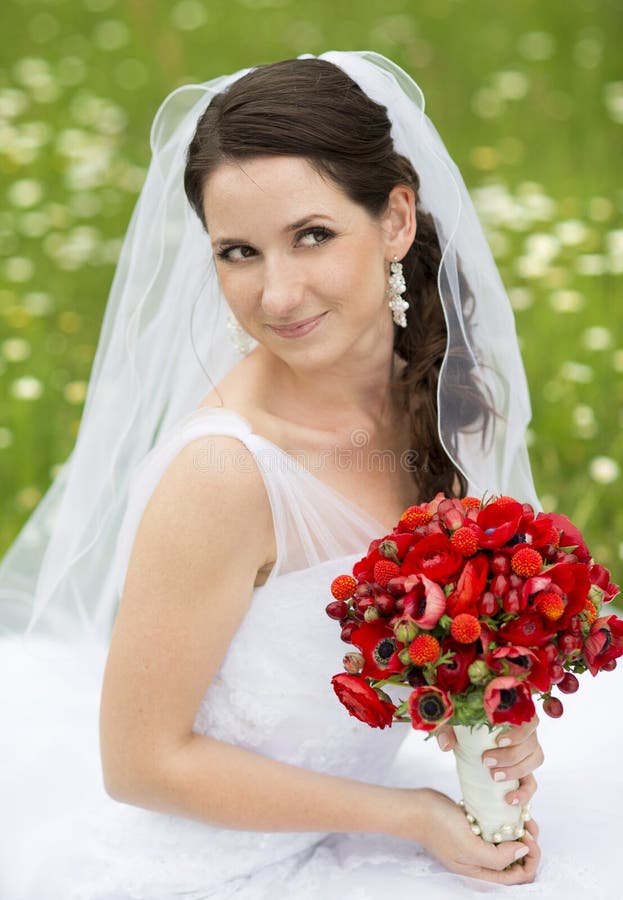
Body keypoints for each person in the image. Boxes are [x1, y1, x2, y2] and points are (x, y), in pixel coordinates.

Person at [0, 51, 621, 900]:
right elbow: (140, 764)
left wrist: (488, 722)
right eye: (238, 252)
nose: (277, 295)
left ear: (394, 220)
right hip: (214, 862)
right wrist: (410, 816)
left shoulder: (433, 392)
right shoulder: (223, 473)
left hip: (362, 812)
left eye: (312, 236)